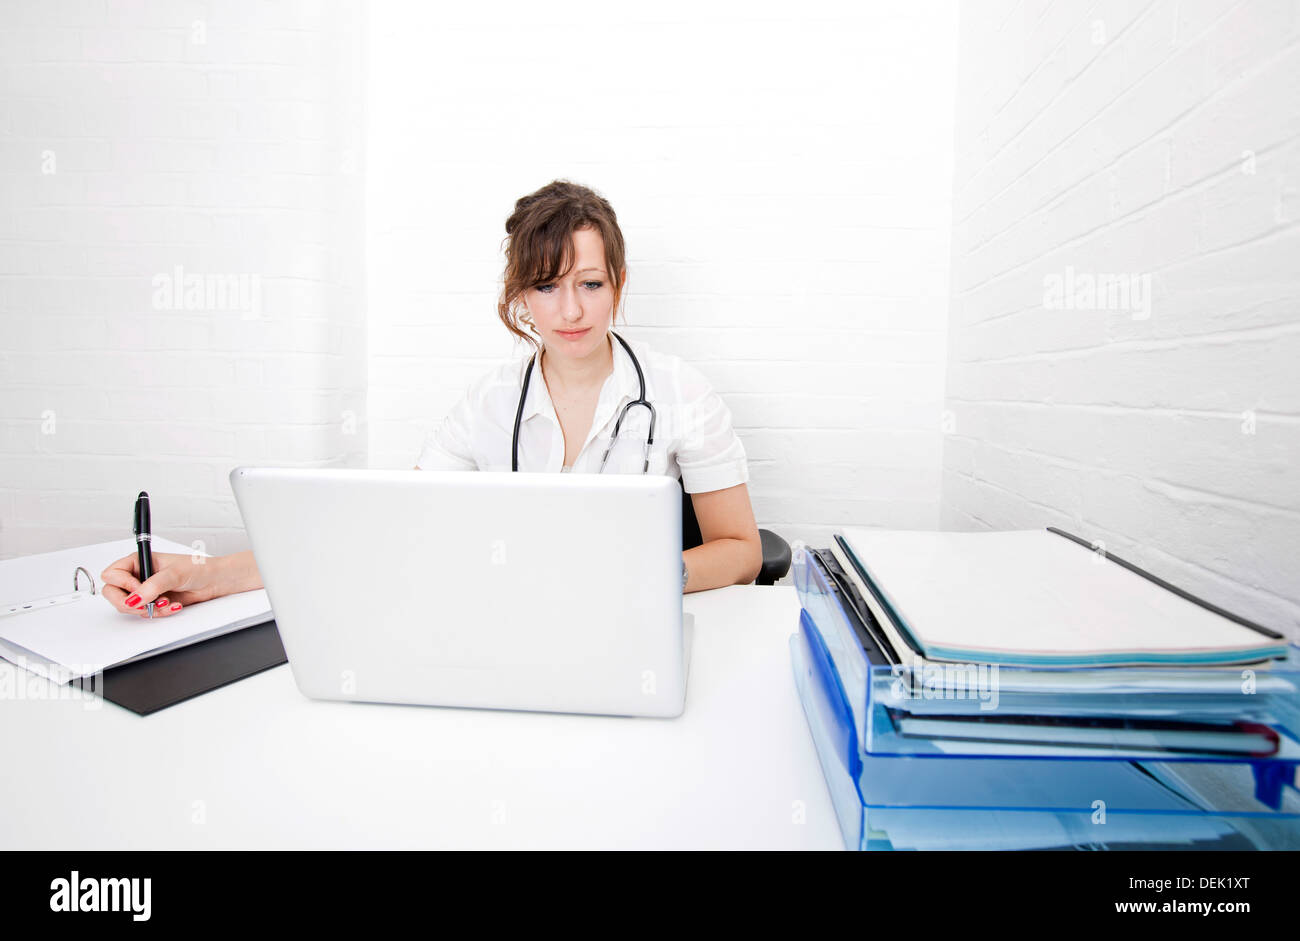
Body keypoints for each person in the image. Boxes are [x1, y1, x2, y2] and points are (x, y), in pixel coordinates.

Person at [101, 180, 763, 617]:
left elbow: (743, 548)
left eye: (590, 284)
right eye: (547, 286)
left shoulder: (680, 392)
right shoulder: (487, 405)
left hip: (634, 626)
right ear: (521, 297)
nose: (571, 310)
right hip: (512, 621)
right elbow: (385, 528)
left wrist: (648, 580)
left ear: (618, 283)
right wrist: (207, 575)